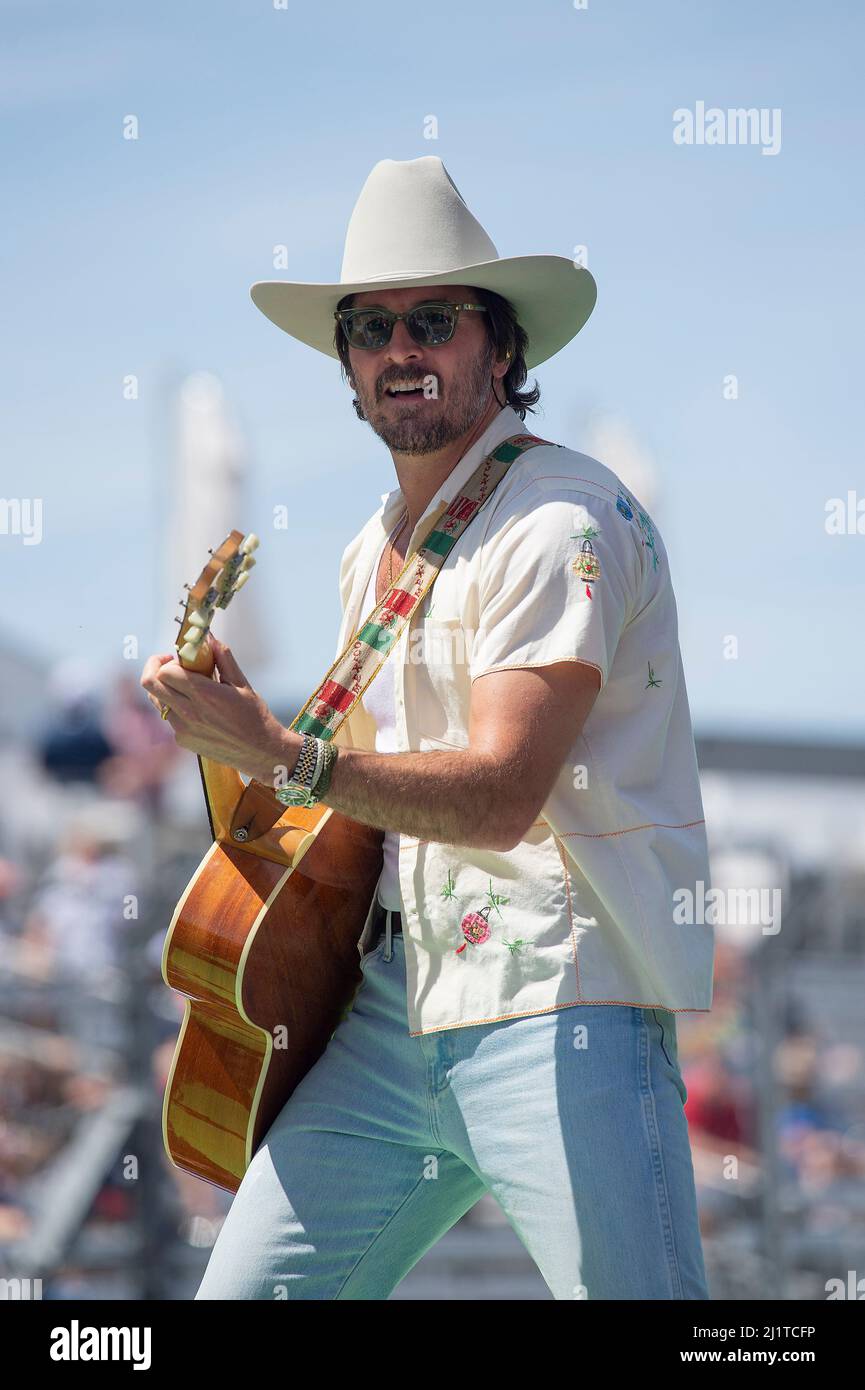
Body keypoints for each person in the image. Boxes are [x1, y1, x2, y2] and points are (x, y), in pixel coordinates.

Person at [141, 156, 714, 1300]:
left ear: (500, 347)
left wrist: (281, 752)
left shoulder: (562, 516)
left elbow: (500, 795)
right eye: (369, 327)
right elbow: (360, 802)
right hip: (396, 1007)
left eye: (434, 320)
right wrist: (245, 749)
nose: (399, 348)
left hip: (564, 1004)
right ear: (347, 364)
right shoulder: (375, 544)